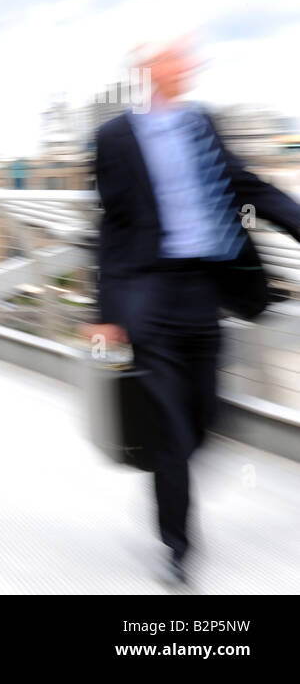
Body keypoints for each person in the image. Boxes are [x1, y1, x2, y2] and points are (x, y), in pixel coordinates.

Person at [86, 38, 300, 585]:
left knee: (205, 416)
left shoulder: (202, 124)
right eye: (175, 58)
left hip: (204, 290)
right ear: (148, 71)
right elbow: (109, 227)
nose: (189, 66)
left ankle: (171, 463)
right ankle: (177, 544)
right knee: (170, 430)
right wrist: (104, 309)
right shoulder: (113, 139)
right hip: (146, 293)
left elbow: (249, 187)